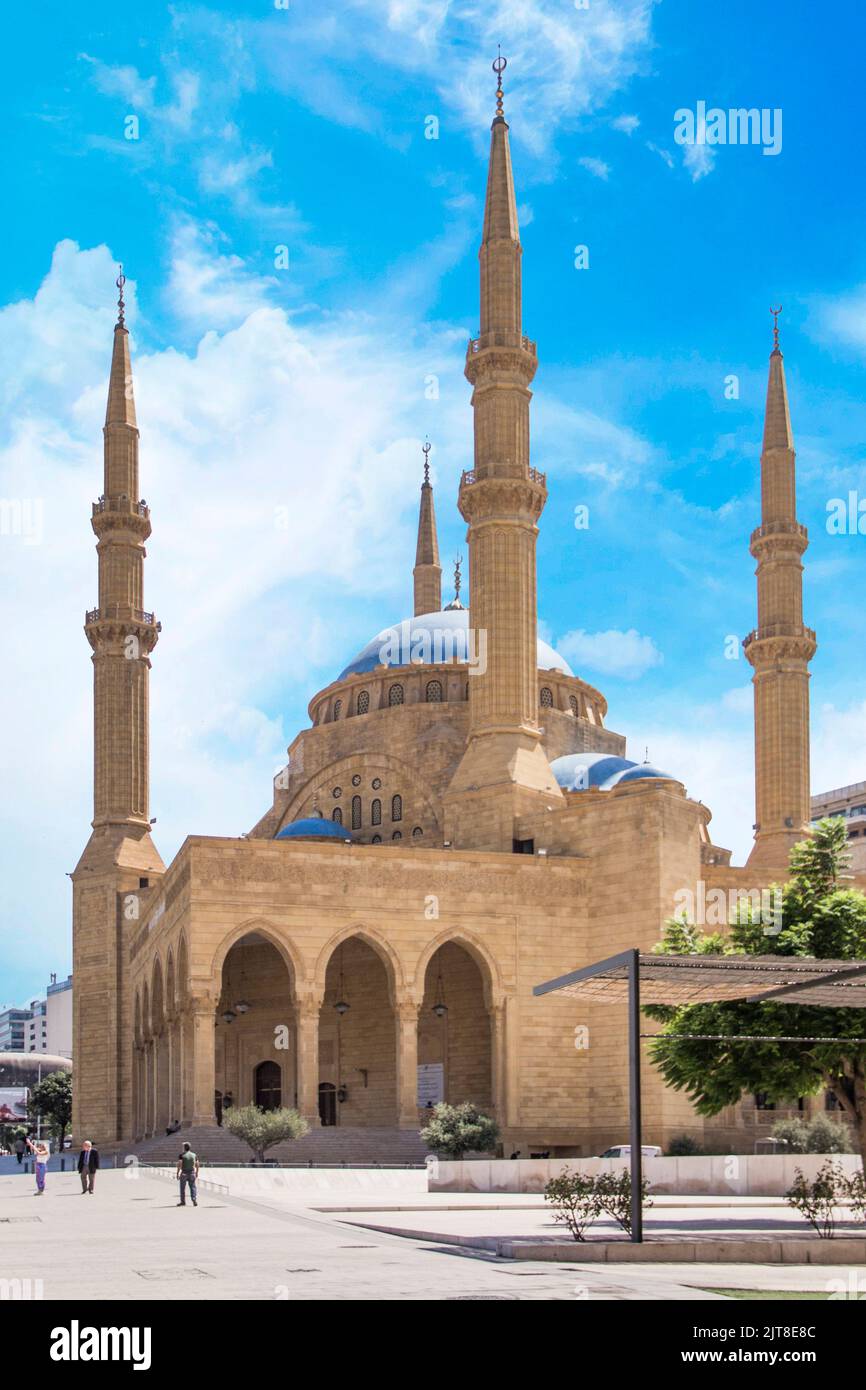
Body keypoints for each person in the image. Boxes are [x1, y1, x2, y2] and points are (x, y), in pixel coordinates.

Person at [176, 1142, 199, 1207]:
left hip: (184, 1173)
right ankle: (194, 1199)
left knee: (182, 1188)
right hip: (192, 1172)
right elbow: (197, 1164)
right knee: (193, 1187)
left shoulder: (181, 1155)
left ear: (184, 1148)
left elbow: (180, 1164)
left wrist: (177, 1173)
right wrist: (197, 1172)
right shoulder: (194, 1155)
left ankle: (183, 1202)